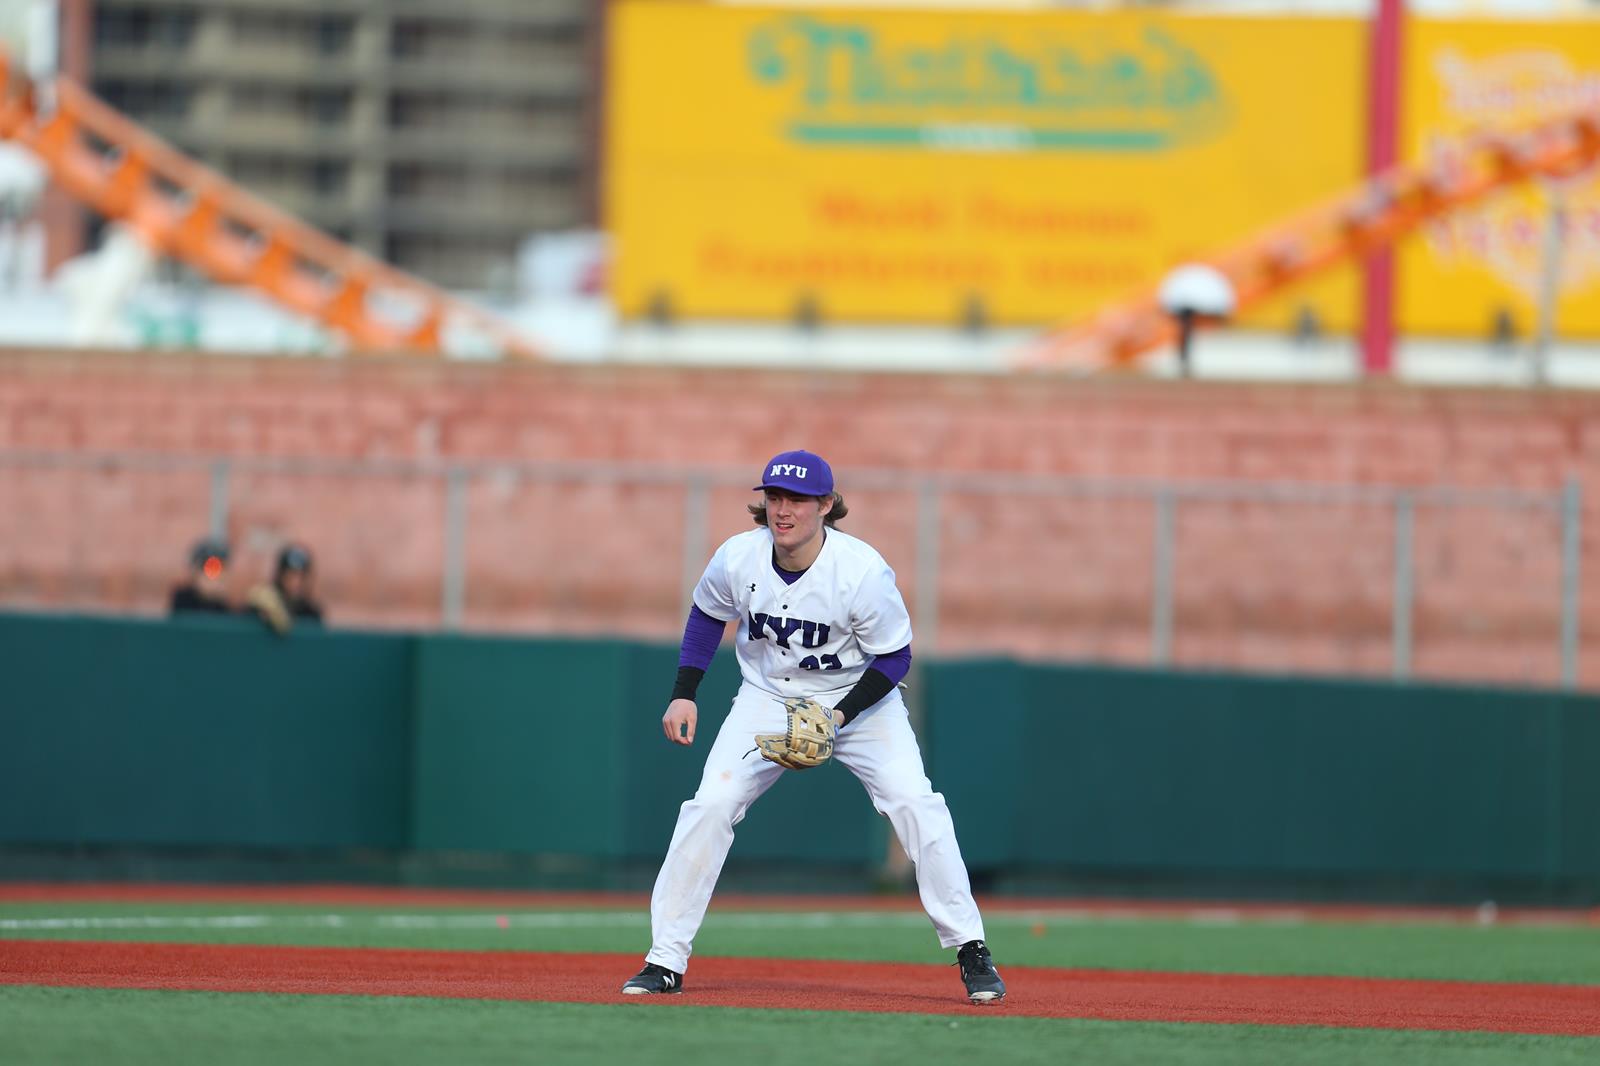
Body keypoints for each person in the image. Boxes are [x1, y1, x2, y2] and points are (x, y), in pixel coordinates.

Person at [620, 449, 1005, 1004]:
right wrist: (684, 693)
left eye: (798, 500)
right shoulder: (739, 557)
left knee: (915, 802)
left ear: (826, 505)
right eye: (775, 497)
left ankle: (971, 948)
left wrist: (838, 717)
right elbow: (708, 613)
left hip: (858, 703)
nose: (783, 510)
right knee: (710, 805)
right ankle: (665, 960)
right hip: (768, 695)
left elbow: (895, 658)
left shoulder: (861, 573)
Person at [246, 542, 325, 635]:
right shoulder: (266, 604)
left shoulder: (311, 613)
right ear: (280, 576)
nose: (295, 583)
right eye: (290, 576)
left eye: (301, 577)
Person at [169, 537, 234, 615]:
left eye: (219, 569)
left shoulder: (223, 608)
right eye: (209, 569)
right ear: (195, 572)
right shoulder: (183, 600)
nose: (216, 578)